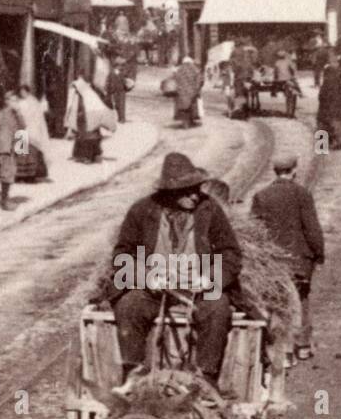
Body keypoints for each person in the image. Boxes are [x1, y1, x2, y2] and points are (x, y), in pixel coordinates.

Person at [103, 152, 241, 383]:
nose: (196, 195)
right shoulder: (141, 211)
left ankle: (206, 378)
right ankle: (133, 375)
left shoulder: (210, 210)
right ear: (170, 191)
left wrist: (210, 280)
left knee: (218, 309)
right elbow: (122, 255)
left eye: (197, 188)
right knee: (128, 306)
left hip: (198, 290)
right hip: (154, 290)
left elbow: (231, 253)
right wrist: (146, 278)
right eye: (188, 190)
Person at [251, 155, 325, 360]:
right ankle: (301, 346)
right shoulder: (302, 194)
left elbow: (255, 231)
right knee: (301, 299)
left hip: (273, 259)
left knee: (276, 300)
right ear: (294, 170)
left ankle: (280, 347)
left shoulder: (261, 195)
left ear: (275, 171)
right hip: (299, 259)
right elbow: (312, 228)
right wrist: (319, 253)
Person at [65, 72, 115, 163]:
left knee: (88, 137)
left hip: (87, 119)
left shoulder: (89, 94)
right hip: (83, 119)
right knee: (84, 137)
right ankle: (86, 155)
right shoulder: (79, 94)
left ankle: (88, 156)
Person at [0, 89, 21, 210]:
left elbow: (23, 128)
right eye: (13, 100)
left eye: (17, 100)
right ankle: (4, 200)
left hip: (14, 148)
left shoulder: (16, 114)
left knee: (11, 173)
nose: (16, 102)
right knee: (6, 174)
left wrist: (21, 149)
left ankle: (5, 198)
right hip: (4, 148)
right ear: (7, 101)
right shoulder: (1, 115)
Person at [12, 84, 51, 182]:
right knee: (21, 153)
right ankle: (21, 175)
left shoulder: (33, 102)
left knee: (31, 154)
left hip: (32, 129)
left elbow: (37, 117)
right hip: (22, 129)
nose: (22, 93)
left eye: (24, 91)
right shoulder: (20, 102)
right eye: (21, 92)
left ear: (27, 91)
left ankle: (31, 176)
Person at [317, 63, 341, 150]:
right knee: (339, 125)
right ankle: (340, 141)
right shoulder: (338, 82)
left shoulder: (326, 82)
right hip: (339, 109)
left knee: (323, 124)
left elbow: (321, 96)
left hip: (327, 109)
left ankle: (322, 144)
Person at [173, 53, 202, 127]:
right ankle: (190, 121)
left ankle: (184, 122)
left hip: (181, 91)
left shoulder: (179, 69)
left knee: (182, 107)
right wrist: (197, 89)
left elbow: (175, 79)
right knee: (192, 106)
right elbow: (199, 80)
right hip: (192, 91)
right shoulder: (195, 69)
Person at [274, 50, 299, 118]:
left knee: (288, 96)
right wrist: (293, 76)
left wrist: (275, 80)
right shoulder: (288, 62)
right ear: (285, 56)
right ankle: (290, 112)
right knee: (293, 92)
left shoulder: (277, 63)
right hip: (288, 80)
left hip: (280, 81)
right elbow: (293, 70)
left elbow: (275, 73)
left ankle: (274, 93)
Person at [105, 52, 129, 123]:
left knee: (118, 105)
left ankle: (121, 118)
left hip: (116, 91)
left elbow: (108, 81)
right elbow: (124, 82)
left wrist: (108, 89)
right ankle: (121, 118)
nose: (122, 67)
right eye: (121, 66)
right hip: (120, 91)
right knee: (120, 105)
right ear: (117, 66)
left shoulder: (112, 72)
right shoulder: (120, 73)